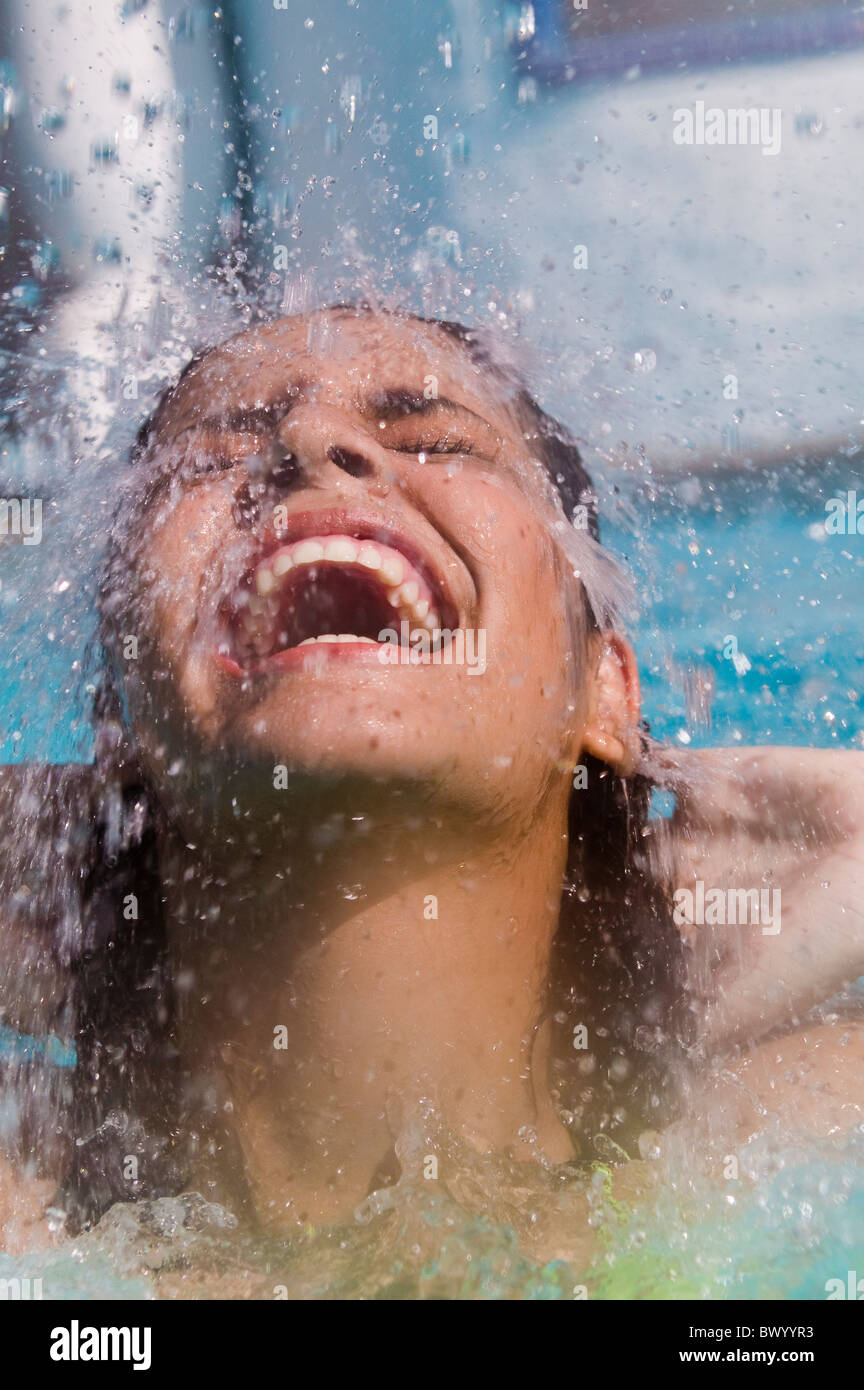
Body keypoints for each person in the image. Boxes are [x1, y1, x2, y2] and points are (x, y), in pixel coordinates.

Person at [2, 303, 863, 1259]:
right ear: (116, 723)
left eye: (436, 437)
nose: (312, 443)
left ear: (609, 689)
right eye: (208, 460)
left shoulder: (808, 1141)